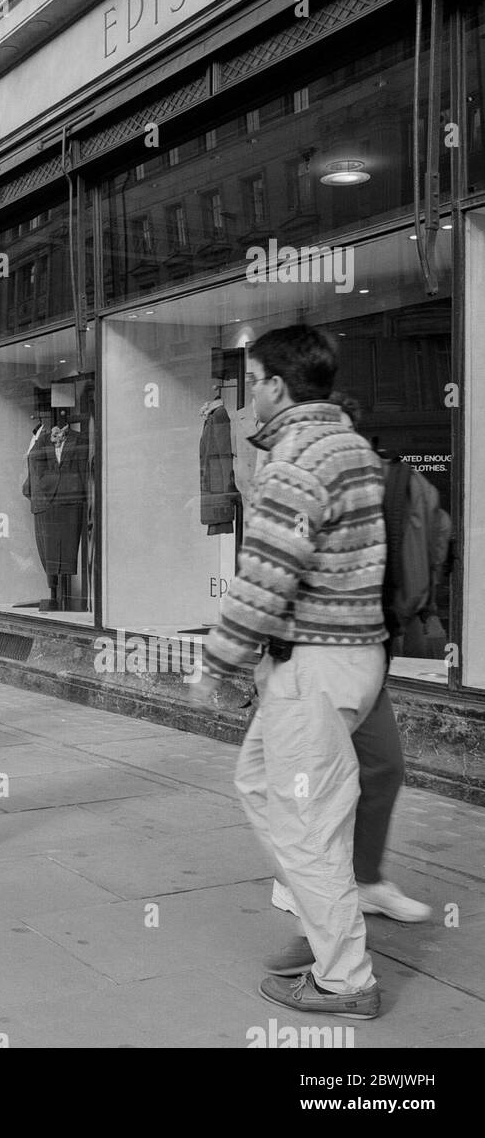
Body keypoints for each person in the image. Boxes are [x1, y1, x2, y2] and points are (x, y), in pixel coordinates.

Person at [203, 325, 388, 1020]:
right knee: (259, 783)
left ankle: (345, 980)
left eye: (252, 382)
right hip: (344, 657)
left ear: (276, 387)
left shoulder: (298, 457)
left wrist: (219, 659)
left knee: (305, 823)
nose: (247, 397)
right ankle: (324, 926)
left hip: (313, 664)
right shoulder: (349, 446)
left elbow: (267, 572)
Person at [266, 393, 433, 929]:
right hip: (307, 657)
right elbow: (272, 572)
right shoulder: (298, 478)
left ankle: (364, 878)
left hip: (363, 652)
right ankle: (304, 887)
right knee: (310, 780)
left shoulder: (379, 482)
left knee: (383, 766)